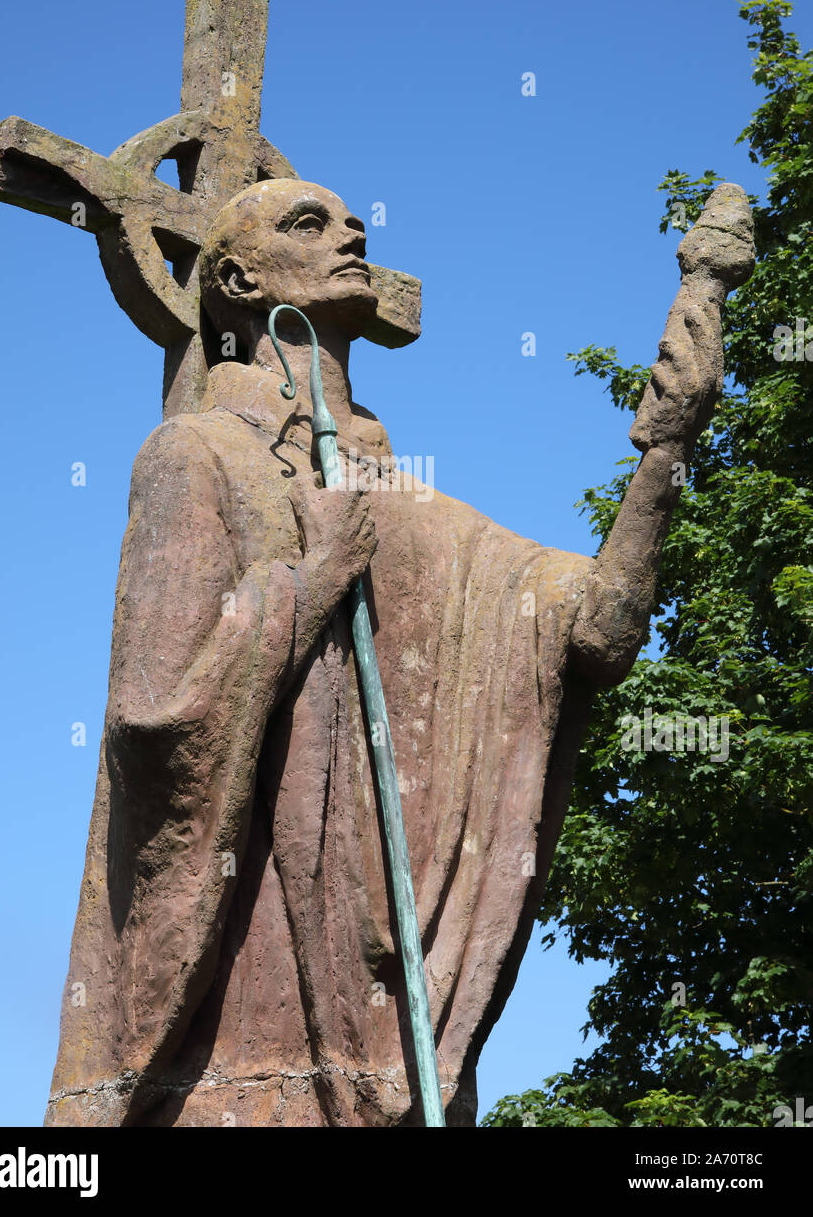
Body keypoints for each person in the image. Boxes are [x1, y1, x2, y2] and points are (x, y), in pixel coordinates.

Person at [45, 177, 754, 1127]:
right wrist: (310, 580)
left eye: (353, 221)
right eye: (310, 222)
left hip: (380, 989)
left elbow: (594, 632)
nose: (350, 232)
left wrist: (666, 446)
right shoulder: (195, 455)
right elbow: (153, 707)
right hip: (250, 1005)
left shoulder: (408, 500)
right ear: (237, 277)